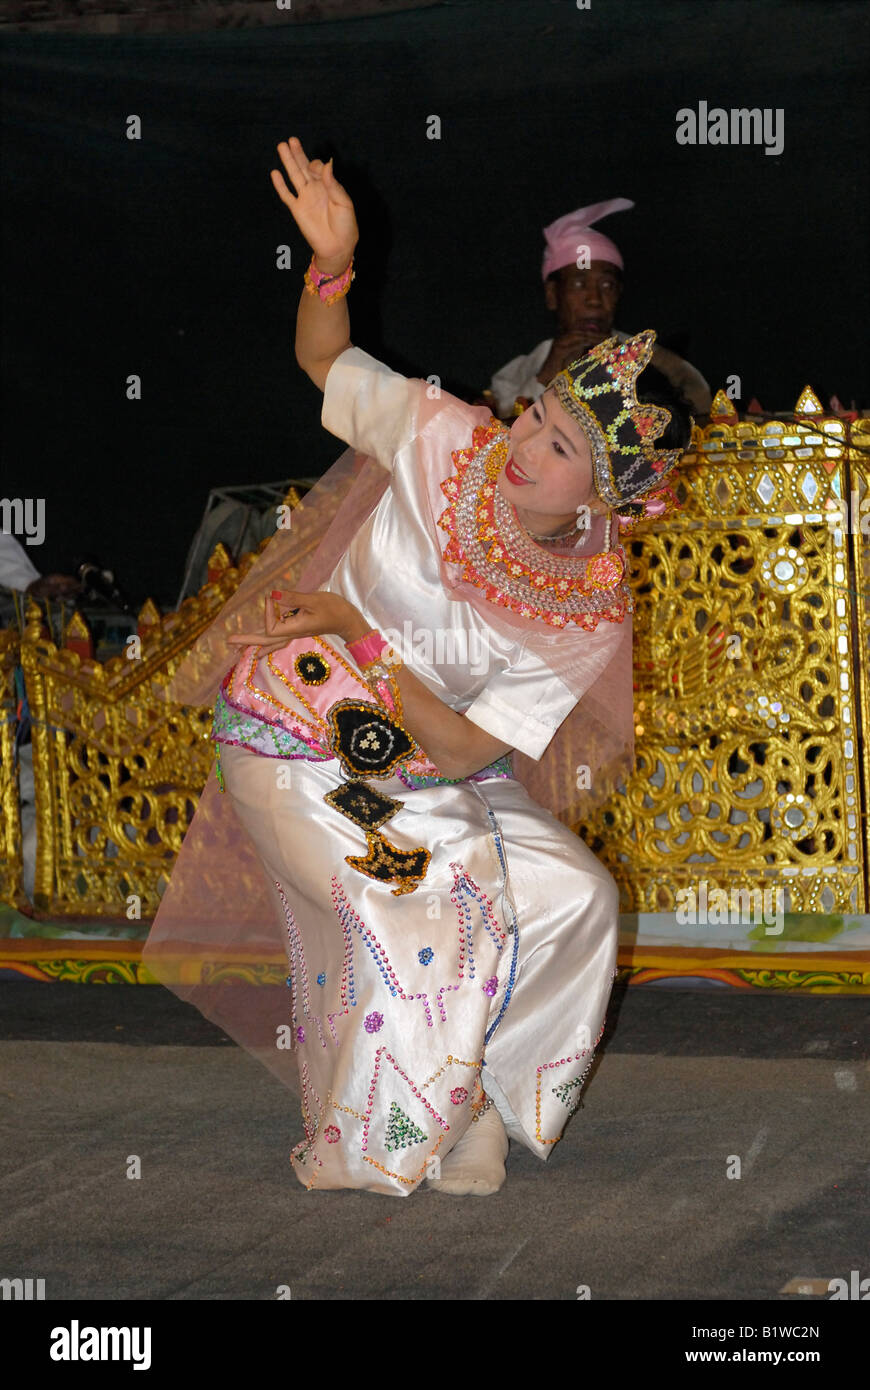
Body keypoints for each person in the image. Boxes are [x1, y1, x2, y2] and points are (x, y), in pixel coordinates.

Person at [143, 139, 693, 1199]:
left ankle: (477, 1092)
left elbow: (459, 747)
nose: (527, 440)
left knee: (577, 894)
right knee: (430, 888)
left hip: (436, 764)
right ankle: (394, 1125)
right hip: (298, 735)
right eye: (538, 410)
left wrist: (361, 622)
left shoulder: (588, 602)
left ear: (602, 500)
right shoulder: (447, 434)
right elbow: (325, 360)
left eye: (563, 446)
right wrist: (333, 265)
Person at [486, 199, 712, 420]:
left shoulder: (654, 360)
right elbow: (507, 432)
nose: (594, 299)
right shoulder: (513, 376)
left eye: (607, 286)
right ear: (553, 295)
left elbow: (699, 405)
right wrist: (547, 374)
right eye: (579, 284)